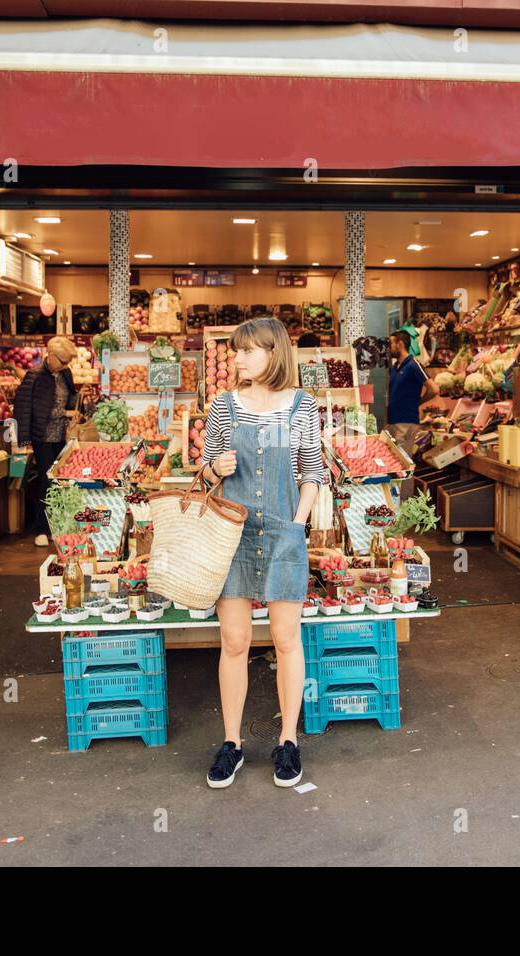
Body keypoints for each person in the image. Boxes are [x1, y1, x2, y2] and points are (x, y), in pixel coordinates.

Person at [198, 317, 327, 790]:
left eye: (247, 350)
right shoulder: (223, 407)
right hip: (230, 533)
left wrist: (297, 525)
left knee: (286, 639)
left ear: (274, 352)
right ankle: (232, 743)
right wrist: (215, 466)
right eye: (235, 351)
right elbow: (206, 475)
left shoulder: (302, 407)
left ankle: (288, 741)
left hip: (283, 532)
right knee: (234, 641)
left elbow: (313, 473)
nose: (237, 358)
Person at [13, 336, 79, 547]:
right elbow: (29, 410)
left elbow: (70, 397)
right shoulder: (35, 376)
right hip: (42, 437)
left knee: (60, 482)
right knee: (46, 481)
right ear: (50, 356)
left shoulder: (64, 374)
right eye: (62, 361)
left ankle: (57, 527)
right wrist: (65, 412)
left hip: (62, 437)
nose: (65, 366)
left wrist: (78, 407)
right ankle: (41, 529)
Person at [385, 329, 438, 456]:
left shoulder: (413, 365)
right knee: (394, 461)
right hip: (393, 421)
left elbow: (434, 389)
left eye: (391, 344)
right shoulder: (395, 367)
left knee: (403, 464)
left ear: (400, 344)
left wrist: (419, 402)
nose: (389, 348)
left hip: (406, 422)